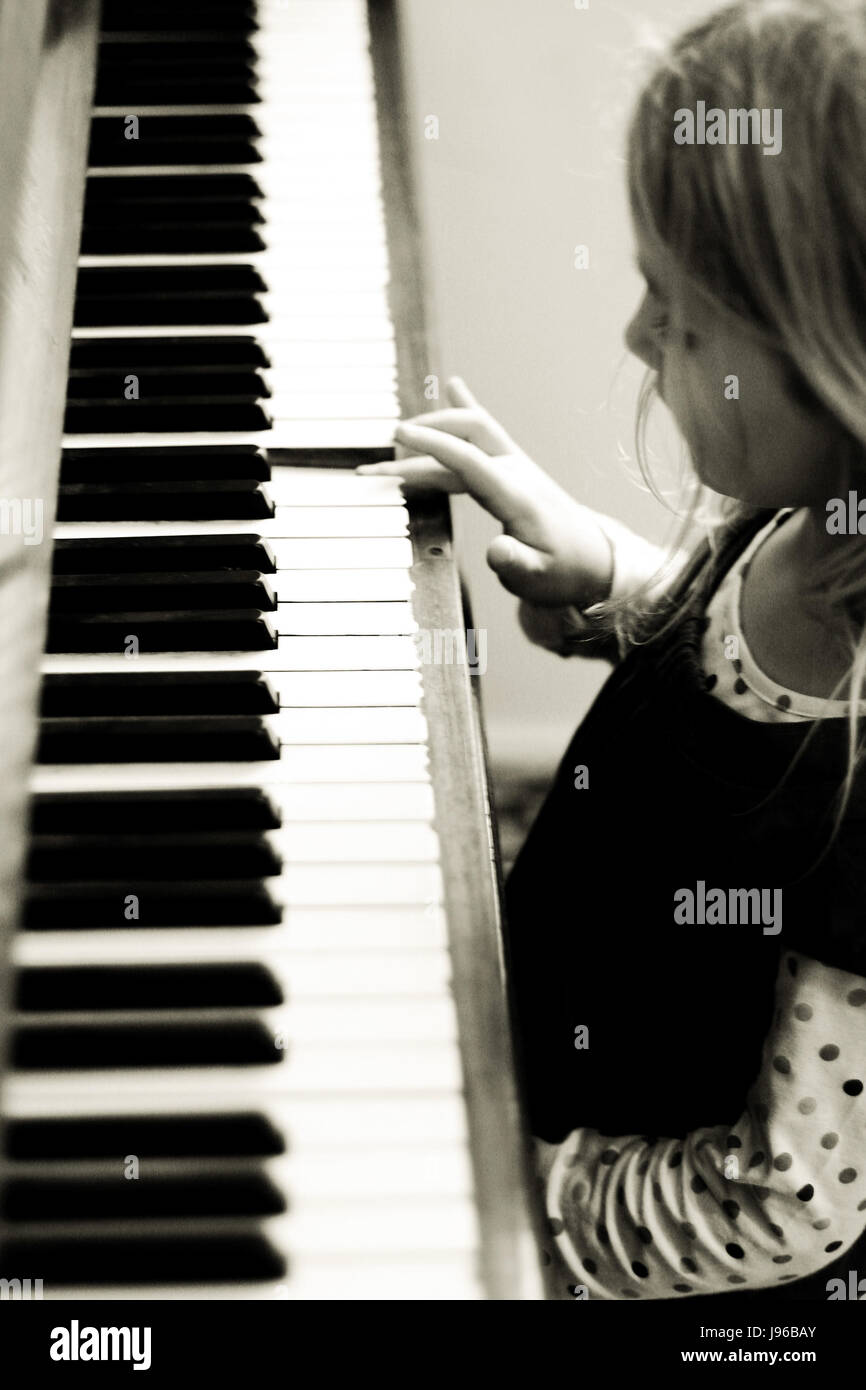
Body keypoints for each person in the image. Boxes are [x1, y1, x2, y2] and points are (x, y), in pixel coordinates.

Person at [358, 0, 866, 1301]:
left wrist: (536, 1202)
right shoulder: (813, 527)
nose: (639, 336)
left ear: (829, 366)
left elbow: (790, 1203)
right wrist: (609, 582)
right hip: (574, 1027)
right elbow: (731, 695)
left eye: (681, 316)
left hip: (620, 1223)